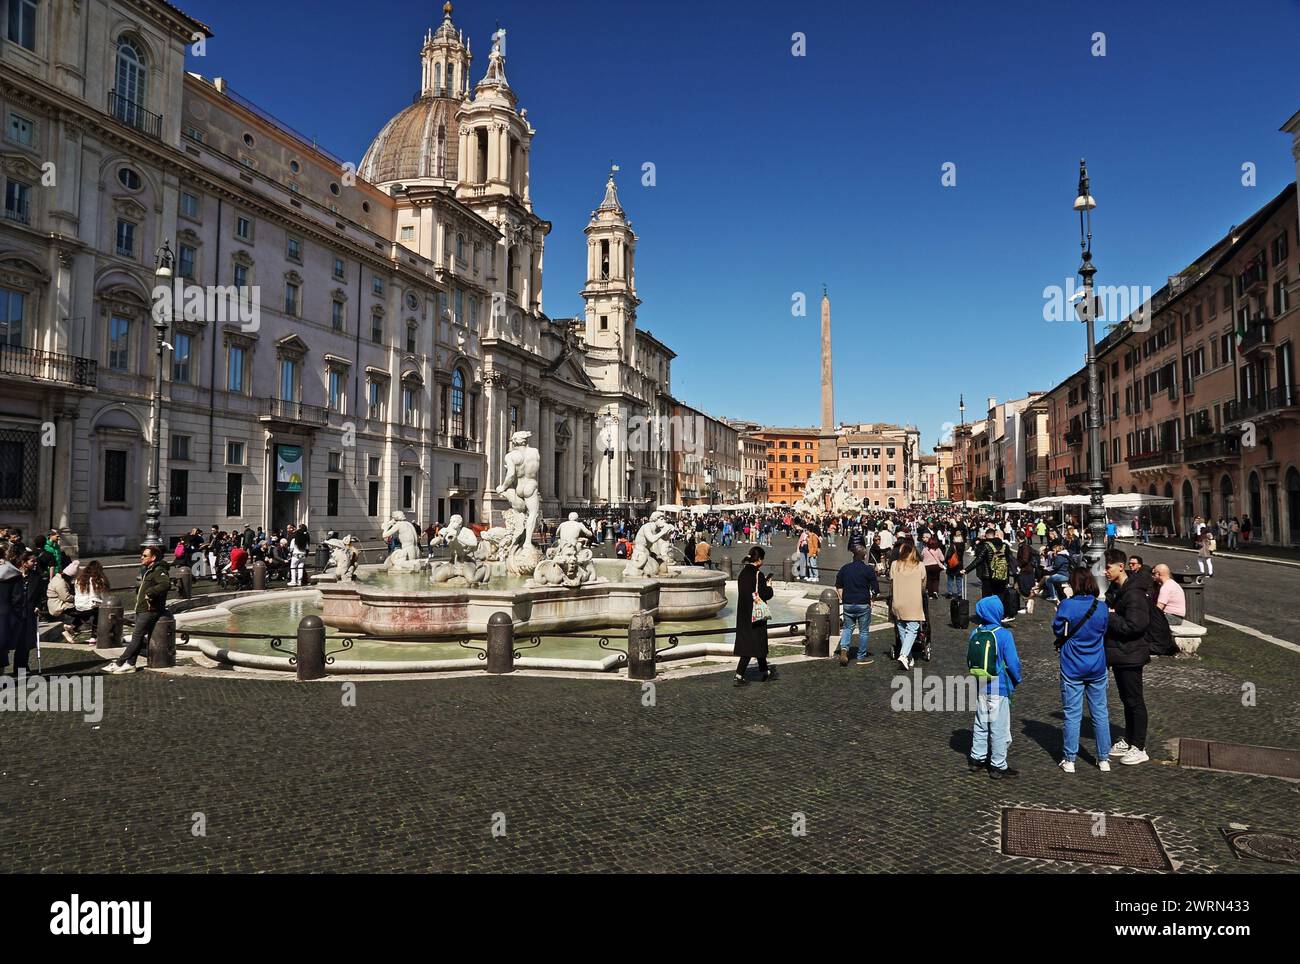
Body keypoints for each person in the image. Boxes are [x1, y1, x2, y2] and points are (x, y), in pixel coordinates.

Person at [1053, 568, 1112, 773]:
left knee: (1072, 714)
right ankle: (1103, 758)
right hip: (1096, 664)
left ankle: (1070, 759)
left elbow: (1058, 630)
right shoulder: (1102, 607)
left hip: (1072, 665)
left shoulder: (1067, 605)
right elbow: (1104, 631)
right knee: (1100, 713)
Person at [1103, 549, 1151, 765]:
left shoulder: (1134, 593)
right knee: (1126, 700)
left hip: (1131, 652)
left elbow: (1135, 625)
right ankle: (1130, 739)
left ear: (1120, 567)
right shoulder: (1116, 589)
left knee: (1135, 700)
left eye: (1108, 567)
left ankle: (1139, 747)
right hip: (1120, 652)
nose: (1105, 571)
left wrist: (1110, 617)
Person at [967, 594, 1022, 779]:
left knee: (981, 722)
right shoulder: (1004, 635)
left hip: (981, 685)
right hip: (1000, 687)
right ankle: (998, 765)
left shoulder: (975, 633)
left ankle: (977, 758)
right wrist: (1017, 679)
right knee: (999, 727)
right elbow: (1013, 663)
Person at [103, 545, 170, 674]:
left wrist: (150, 592)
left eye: (145, 556)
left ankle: (119, 662)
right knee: (138, 639)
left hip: (149, 610)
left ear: (153, 557)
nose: (141, 557)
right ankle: (130, 664)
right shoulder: (148, 570)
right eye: (142, 555)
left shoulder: (158, 570)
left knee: (136, 637)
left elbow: (165, 584)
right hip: (142, 608)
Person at [734, 546, 776, 685]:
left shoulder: (742, 573)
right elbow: (765, 594)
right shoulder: (758, 575)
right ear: (758, 560)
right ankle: (739, 675)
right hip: (756, 615)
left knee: (756, 644)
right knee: (752, 644)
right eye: (762, 559)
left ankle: (765, 671)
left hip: (743, 614)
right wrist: (769, 586)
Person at [836, 545, 879, 666]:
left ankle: (844, 649)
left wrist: (843, 598)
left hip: (848, 603)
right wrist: (873, 600)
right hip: (863, 603)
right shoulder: (868, 570)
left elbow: (838, 586)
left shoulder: (845, 568)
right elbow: (876, 589)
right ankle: (861, 656)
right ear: (864, 556)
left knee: (847, 628)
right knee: (864, 631)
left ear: (853, 555)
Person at [889, 539, 927, 671]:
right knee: (913, 627)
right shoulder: (920, 566)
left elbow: (891, 582)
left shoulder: (894, 564)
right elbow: (923, 585)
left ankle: (908, 656)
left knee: (901, 627)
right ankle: (904, 654)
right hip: (913, 602)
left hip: (898, 601)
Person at [0, 550, 38, 675]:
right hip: (9, 615)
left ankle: (20, 669)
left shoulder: (34, 576)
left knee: (22, 644)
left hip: (19, 614)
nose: (35, 563)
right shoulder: (13, 574)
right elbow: (17, 598)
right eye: (32, 560)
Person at [72, 560, 110, 644]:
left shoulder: (78, 580)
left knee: (86, 614)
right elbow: (102, 596)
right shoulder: (97, 580)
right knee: (99, 613)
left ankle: (72, 627)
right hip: (90, 605)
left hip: (79, 606)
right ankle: (94, 636)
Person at [47, 559, 75, 643]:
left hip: (57, 603)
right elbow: (65, 597)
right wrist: (77, 598)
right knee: (82, 610)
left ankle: (70, 628)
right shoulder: (60, 582)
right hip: (57, 606)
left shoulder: (58, 579)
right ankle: (71, 627)